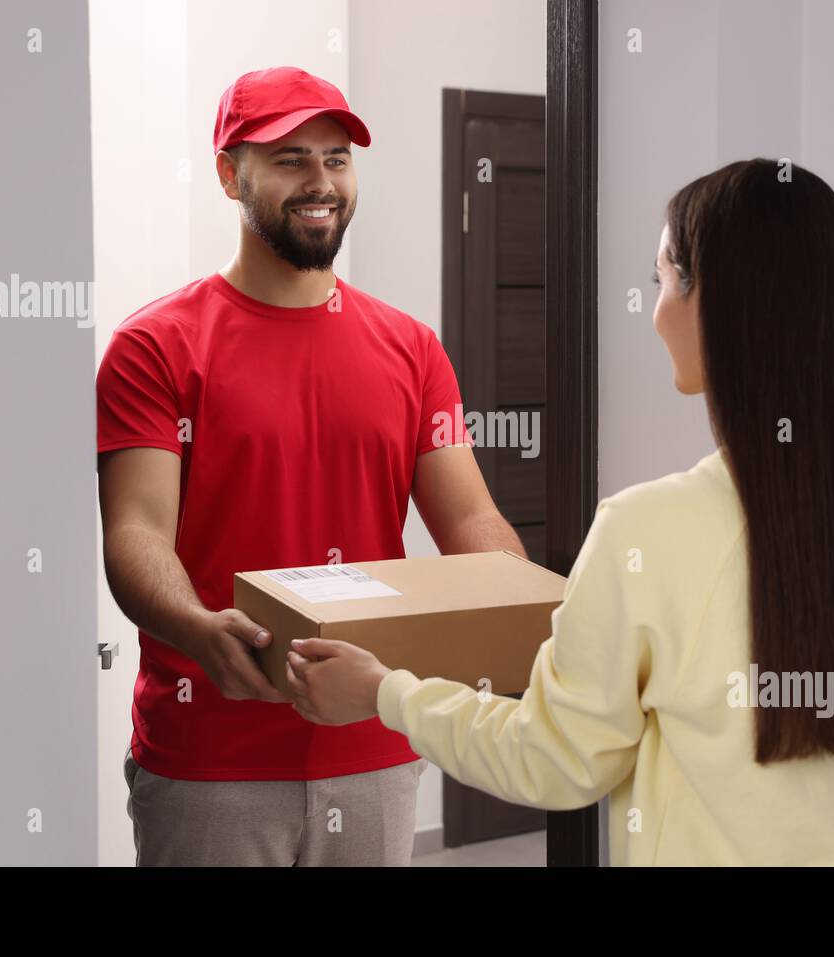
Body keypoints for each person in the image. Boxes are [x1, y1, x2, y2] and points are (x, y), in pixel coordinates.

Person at [282, 159, 834, 866]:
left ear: (715, 302)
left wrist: (386, 692)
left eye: (663, 281)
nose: (655, 312)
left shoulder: (646, 533)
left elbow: (552, 757)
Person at [96, 66, 522, 866]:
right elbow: (135, 531)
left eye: (336, 158)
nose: (320, 181)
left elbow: (468, 518)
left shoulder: (411, 348)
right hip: (210, 764)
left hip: (375, 747)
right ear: (230, 174)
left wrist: (517, 602)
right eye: (291, 158)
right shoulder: (155, 347)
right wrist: (195, 628)